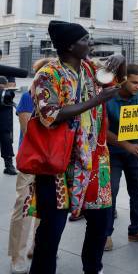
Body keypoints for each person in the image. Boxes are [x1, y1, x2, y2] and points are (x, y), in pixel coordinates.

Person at [28, 20, 121, 274]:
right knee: (51, 230)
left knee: (100, 222)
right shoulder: (48, 75)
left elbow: (117, 74)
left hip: (95, 160)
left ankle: (93, 268)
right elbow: (50, 115)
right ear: (69, 46)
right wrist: (96, 100)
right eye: (84, 39)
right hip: (58, 164)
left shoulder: (90, 68)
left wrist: (119, 59)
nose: (89, 43)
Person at [103, 64, 138, 252]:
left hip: (137, 150)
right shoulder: (108, 97)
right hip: (112, 151)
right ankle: (105, 234)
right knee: (110, 191)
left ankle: (137, 230)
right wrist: (127, 145)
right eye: (134, 82)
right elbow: (103, 130)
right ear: (122, 80)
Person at [8, 59, 50, 274]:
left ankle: (37, 246)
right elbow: (28, 132)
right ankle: (18, 256)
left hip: (52, 162)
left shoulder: (59, 97)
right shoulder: (28, 97)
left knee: (46, 208)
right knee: (24, 208)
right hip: (31, 161)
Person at [0, 75, 17, 175]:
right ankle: (9, 165)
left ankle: (9, 165)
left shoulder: (8, 93)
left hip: (5, 123)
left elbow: (11, 87)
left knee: (6, 141)